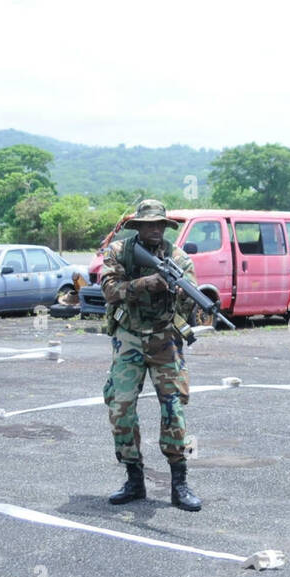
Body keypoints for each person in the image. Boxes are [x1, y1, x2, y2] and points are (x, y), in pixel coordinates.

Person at [100, 200, 201, 510]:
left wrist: (180, 292)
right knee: (121, 407)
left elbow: (192, 296)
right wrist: (147, 284)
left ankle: (179, 483)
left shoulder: (178, 258)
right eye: (149, 224)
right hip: (128, 338)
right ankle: (134, 479)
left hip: (165, 339)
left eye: (160, 224)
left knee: (174, 409)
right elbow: (108, 289)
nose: (155, 229)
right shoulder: (120, 251)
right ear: (139, 227)